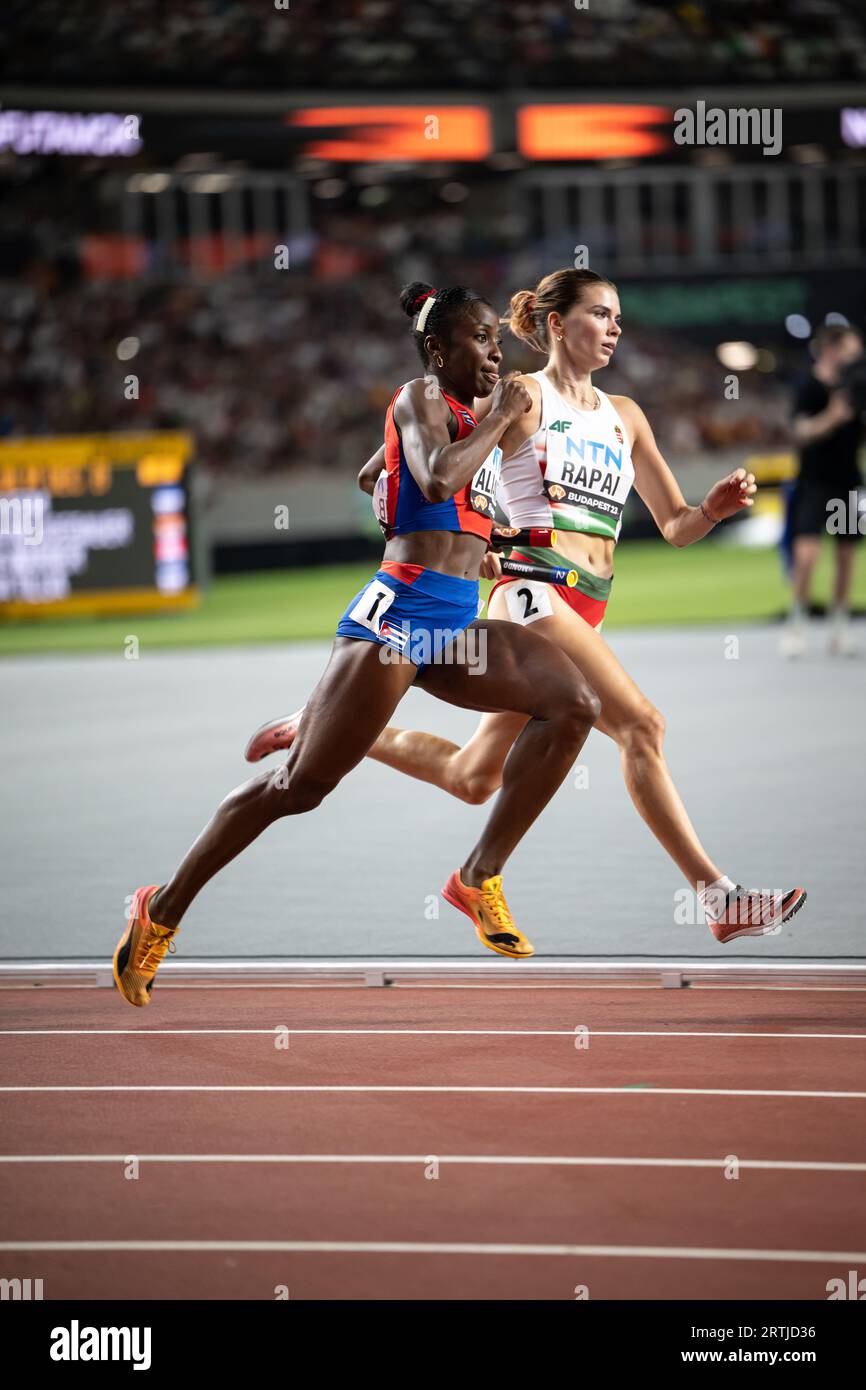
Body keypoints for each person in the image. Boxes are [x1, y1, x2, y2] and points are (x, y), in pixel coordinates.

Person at [248, 269, 806, 946]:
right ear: (556, 324)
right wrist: (475, 532)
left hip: (588, 605)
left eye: (618, 317)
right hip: (532, 593)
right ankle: (719, 898)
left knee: (472, 777)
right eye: (599, 314)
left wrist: (711, 511)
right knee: (642, 727)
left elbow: (676, 525)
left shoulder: (626, 416)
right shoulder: (519, 396)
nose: (614, 328)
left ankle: (316, 724)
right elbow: (386, 469)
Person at [114, 283, 601, 1005]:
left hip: (454, 625)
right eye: (480, 339)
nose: (496, 354)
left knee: (573, 704)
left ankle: (477, 877)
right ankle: (160, 909)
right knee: (299, 788)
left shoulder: (469, 417)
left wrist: (475, 540)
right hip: (398, 620)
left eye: (497, 341)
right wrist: (498, 421)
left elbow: (381, 475)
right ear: (438, 350)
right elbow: (434, 478)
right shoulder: (421, 397)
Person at [781, 323, 864, 659]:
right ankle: (797, 625)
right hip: (814, 482)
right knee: (806, 556)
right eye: (851, 350)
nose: (856, 357)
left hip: (849, 482)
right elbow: (799, 430)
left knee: (846, 557)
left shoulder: (856, 386)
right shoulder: (809, 386)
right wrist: (832, 416)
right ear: (832, 350)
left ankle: (839, 629)